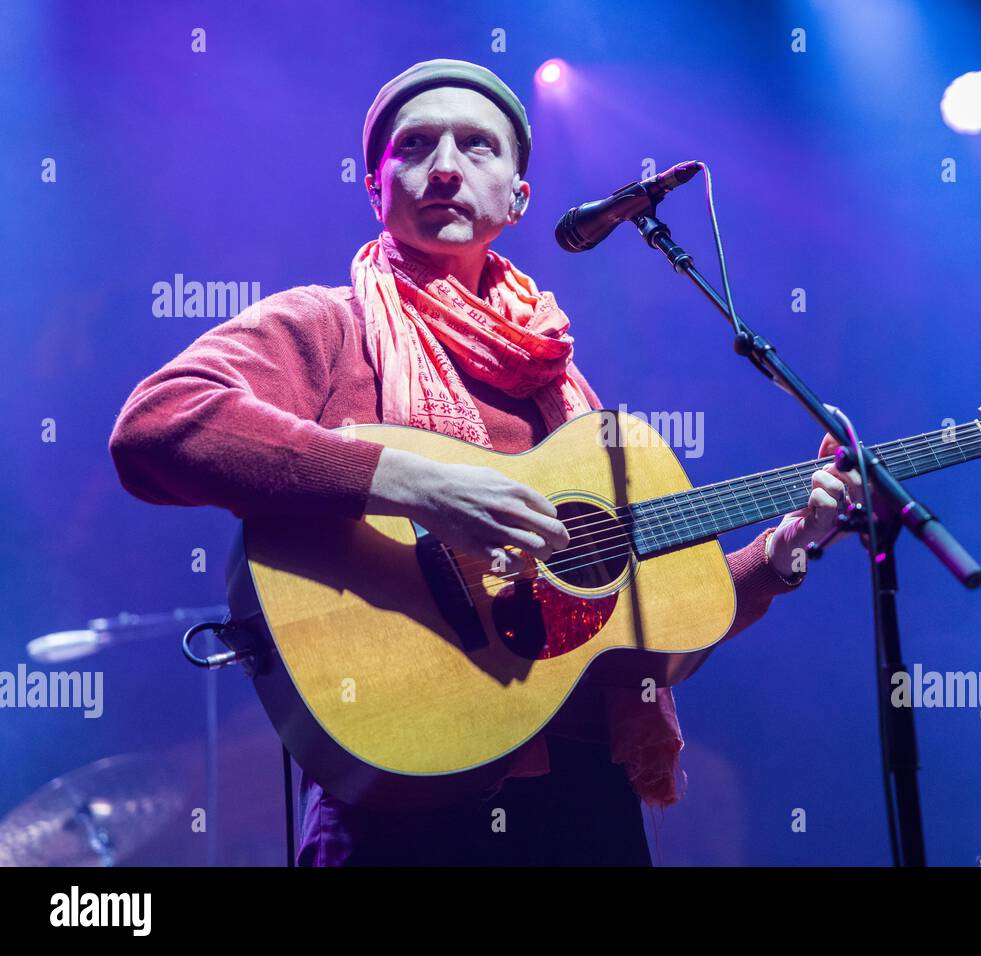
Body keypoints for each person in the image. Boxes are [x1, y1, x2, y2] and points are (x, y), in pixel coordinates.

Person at [109, 59, 868, 866]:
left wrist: (785, 554)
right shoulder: (325, 325)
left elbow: (647, 625)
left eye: (476, 147)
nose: (444, 167)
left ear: (519, 198)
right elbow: (158, 425)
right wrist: (412, 484)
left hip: (582, 804)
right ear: (375, 186)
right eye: (415, 146)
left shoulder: (561, 387)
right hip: (396, 805)